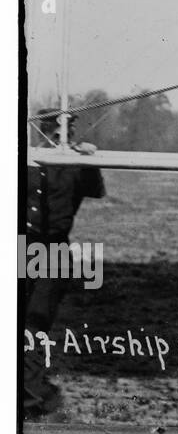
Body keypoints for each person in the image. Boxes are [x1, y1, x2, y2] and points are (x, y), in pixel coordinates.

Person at [24, 110, 105, 417]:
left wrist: (89, 159)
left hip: (56, 247)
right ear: (41, 129)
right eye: (53, 129)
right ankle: (28, 392)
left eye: (66, 130)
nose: (60, 135)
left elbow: (95, 190)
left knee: (37, 319)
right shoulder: (25, 155)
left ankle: (30, 397)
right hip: (22, 244)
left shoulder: (75, 162)